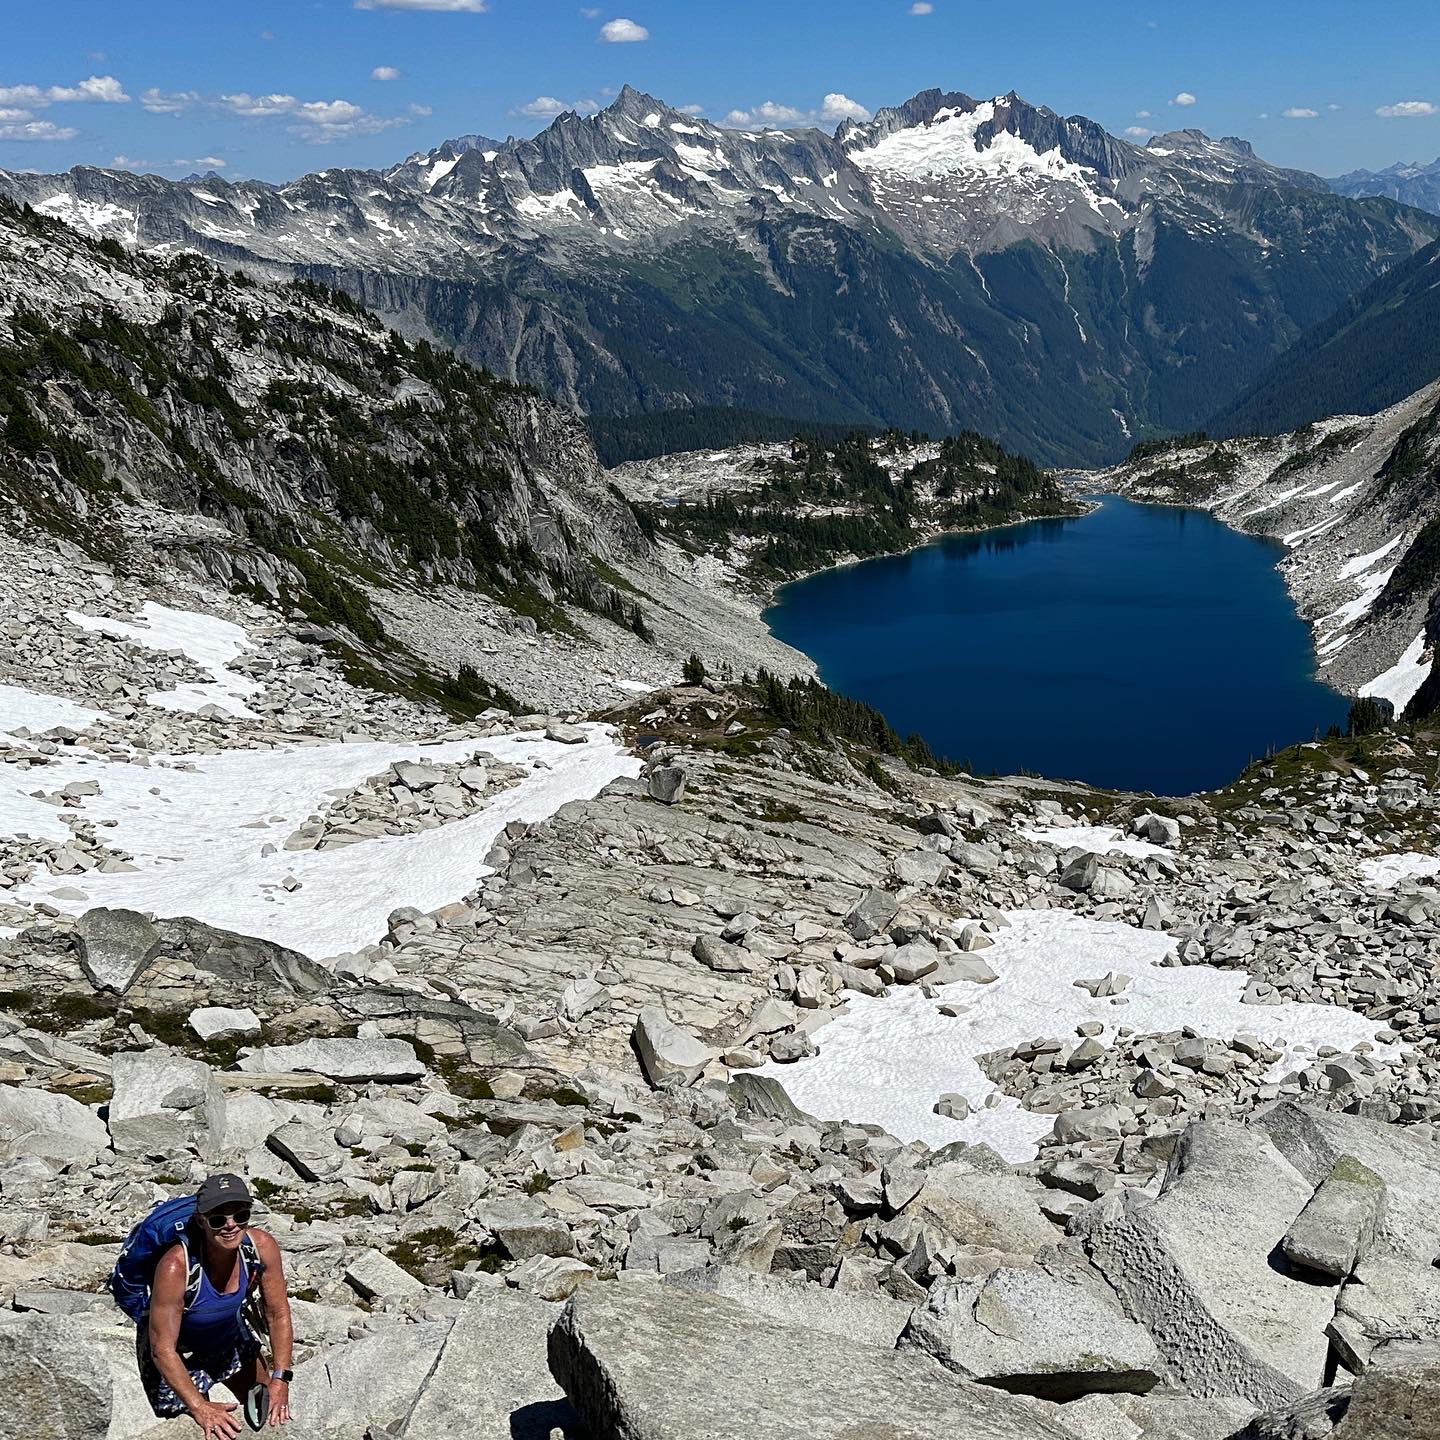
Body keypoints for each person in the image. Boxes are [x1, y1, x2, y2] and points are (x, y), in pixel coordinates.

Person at [139, 1174, 295, 1437]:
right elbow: (162, 1349)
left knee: (264, 1407)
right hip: (179, 1355)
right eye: (218, 1219)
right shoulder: (176, 1266)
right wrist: (199, 1406)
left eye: (240, 1215)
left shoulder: (261, 1247)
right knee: (201, 1429)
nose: (231, 1226)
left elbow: (277, 1314)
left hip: (227, 1336)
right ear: (201, 1221)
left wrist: (281, 1377)